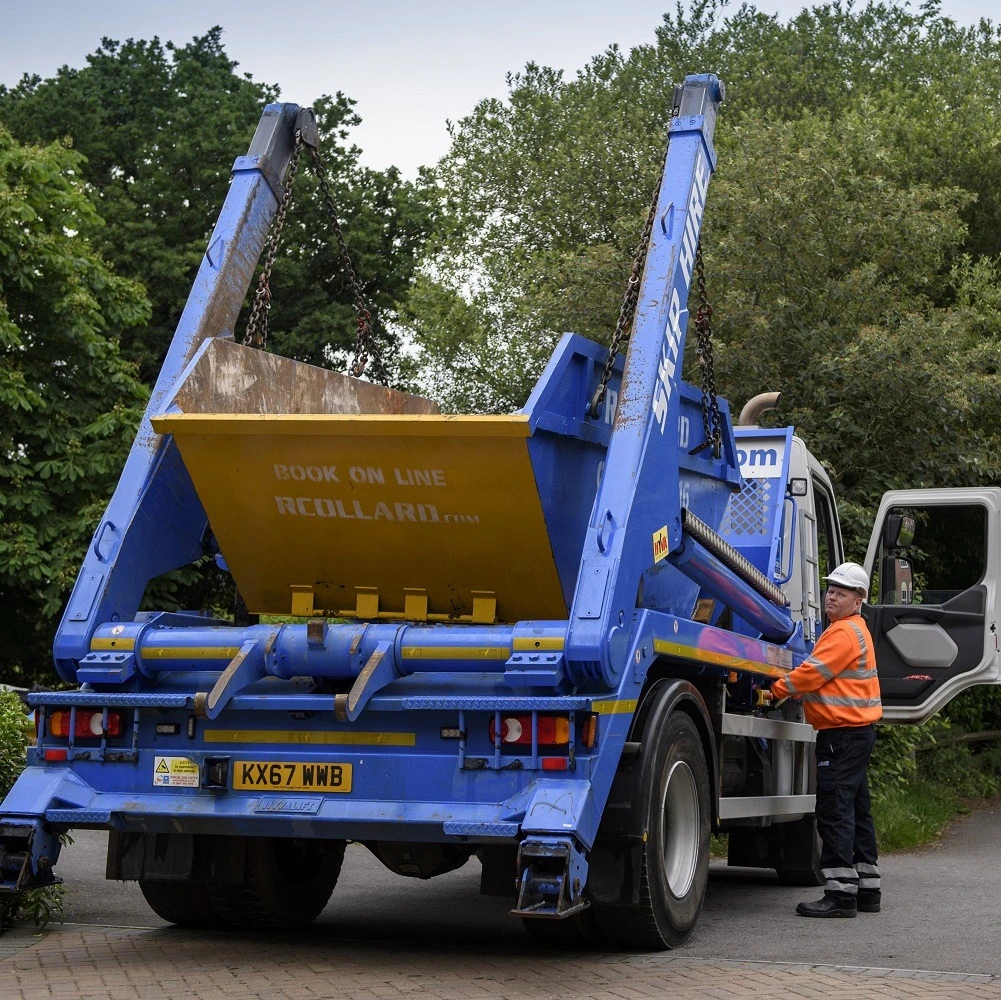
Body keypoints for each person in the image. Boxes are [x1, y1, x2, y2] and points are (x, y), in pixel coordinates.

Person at [770, 561, 882, 918]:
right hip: (856, 734)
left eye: (841, 592)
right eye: (830, 590)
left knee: (834, 811)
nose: (831, 596)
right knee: (856, 810)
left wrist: (776, 689)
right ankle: (867, 889)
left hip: (841, 736)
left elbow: (812, 674)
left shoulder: (842, 633)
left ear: (858, 599)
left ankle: (840, 895)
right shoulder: (857, 630)